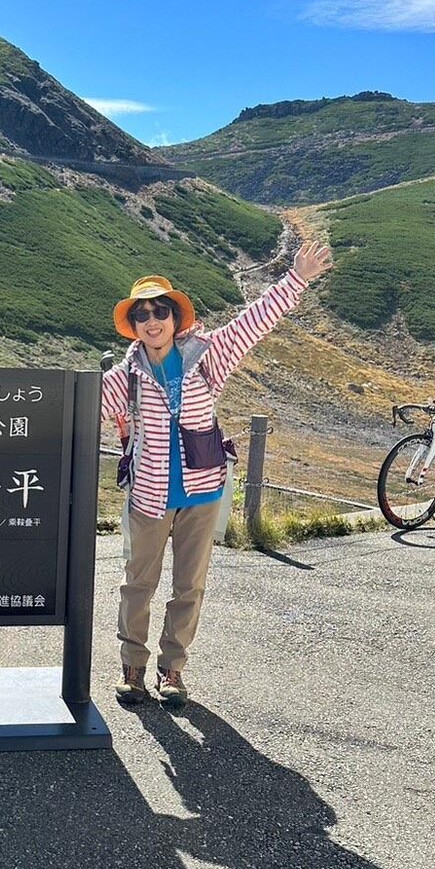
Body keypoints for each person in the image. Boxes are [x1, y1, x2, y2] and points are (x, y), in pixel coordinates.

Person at [101, 240, 332, 708]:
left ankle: (172, 669)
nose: (152, 321)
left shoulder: (209, 354)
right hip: (148, 495)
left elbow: (253, 323)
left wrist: (297, 279)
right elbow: (81, 409)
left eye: (160, 311)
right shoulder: (124, 377)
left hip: (202, 493)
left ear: (175, 317)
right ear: (134, 325)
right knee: (137, 584)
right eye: (142, 314)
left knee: (189, 586)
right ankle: (132, 667)